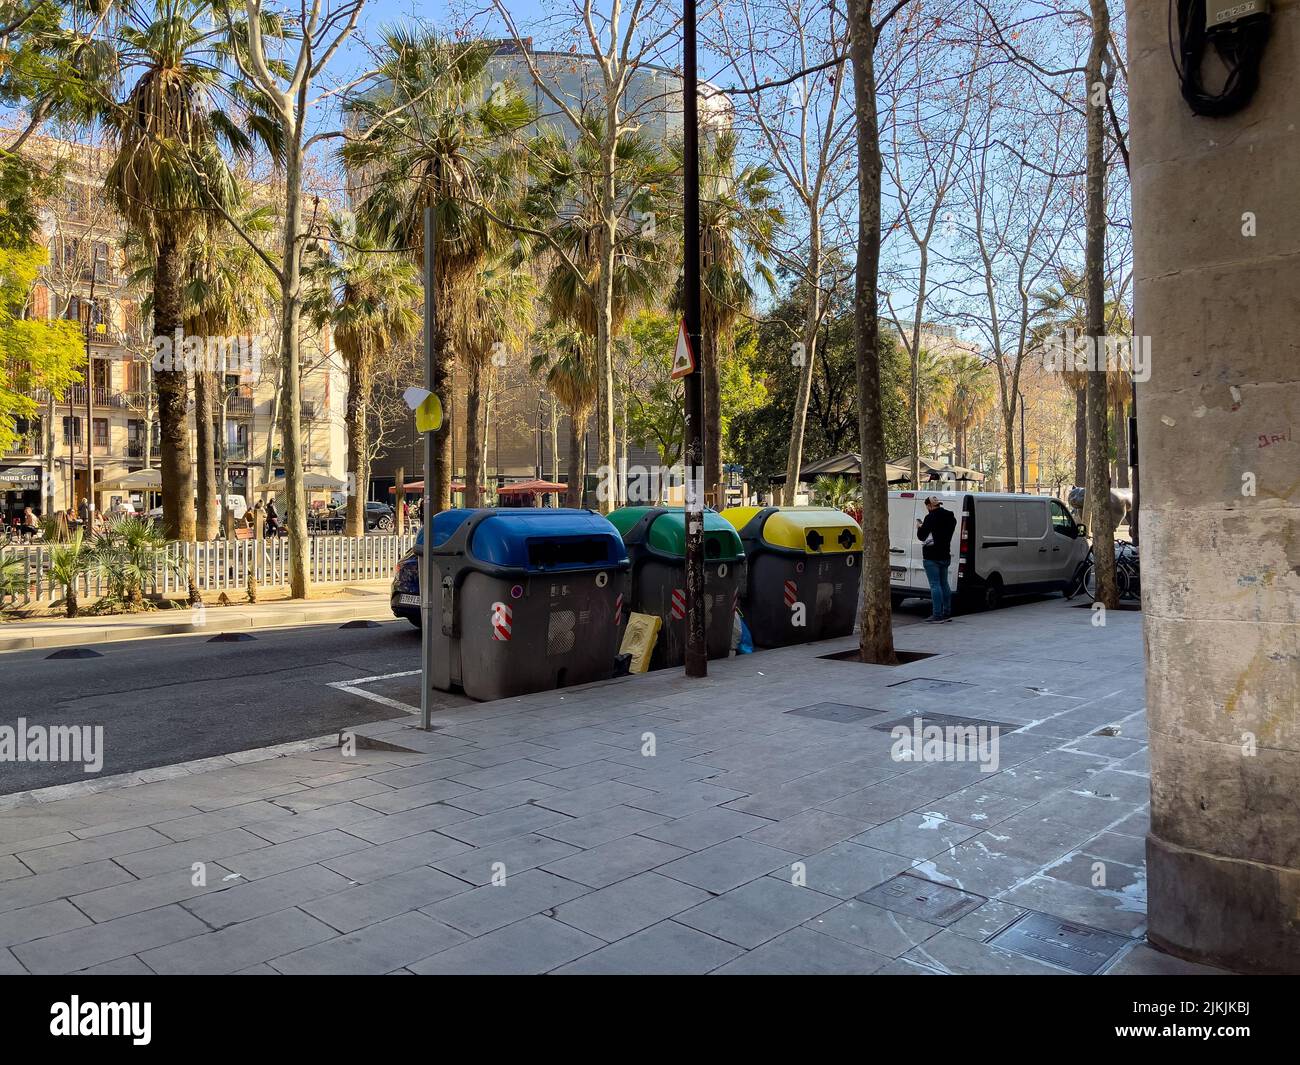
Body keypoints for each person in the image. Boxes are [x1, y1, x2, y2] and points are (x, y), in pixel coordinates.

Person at [916, 495, 957, 623]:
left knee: (935, 585)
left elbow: (922, 536)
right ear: (939, 504)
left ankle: (937, 615)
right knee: (944, 584)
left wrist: (919, 527)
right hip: (945, 554)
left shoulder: (930, 517)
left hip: (931, 556)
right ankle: (947, 612)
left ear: (929, 506)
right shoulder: (951, 517)